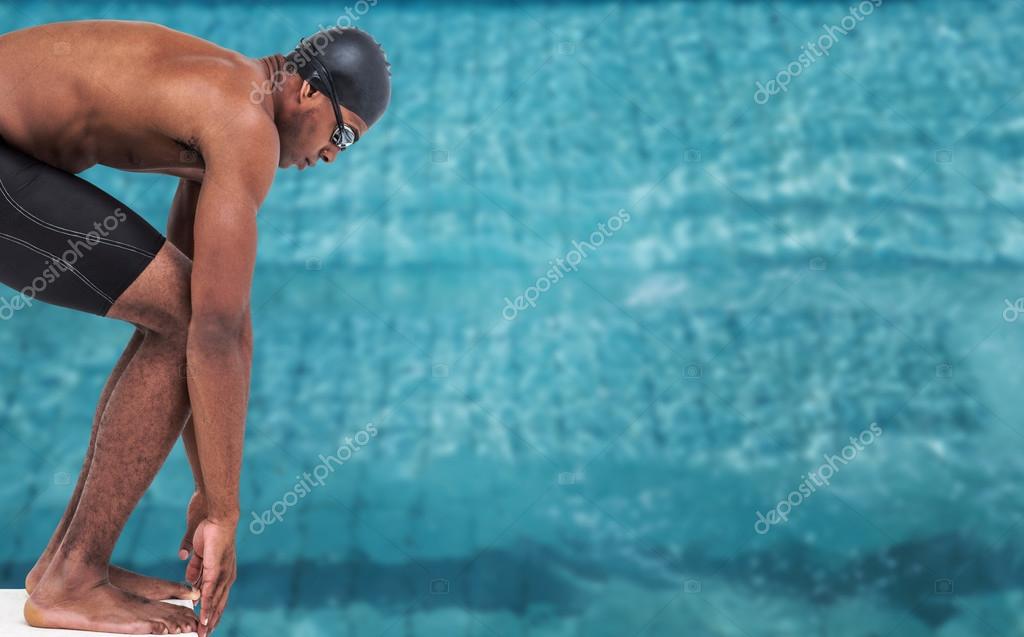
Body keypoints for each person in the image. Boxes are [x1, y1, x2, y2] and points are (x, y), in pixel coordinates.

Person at [0, 19, 391, 635]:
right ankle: (74, 575)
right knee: (182, 317)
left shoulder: (225, 99)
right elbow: (213, 332)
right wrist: (225, 513)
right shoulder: (243, 125)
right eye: (342, 134)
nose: (332, 156)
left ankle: (67, 564)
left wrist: (211, 487)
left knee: (175, 311)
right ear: (308, 92)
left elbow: (216, 322)